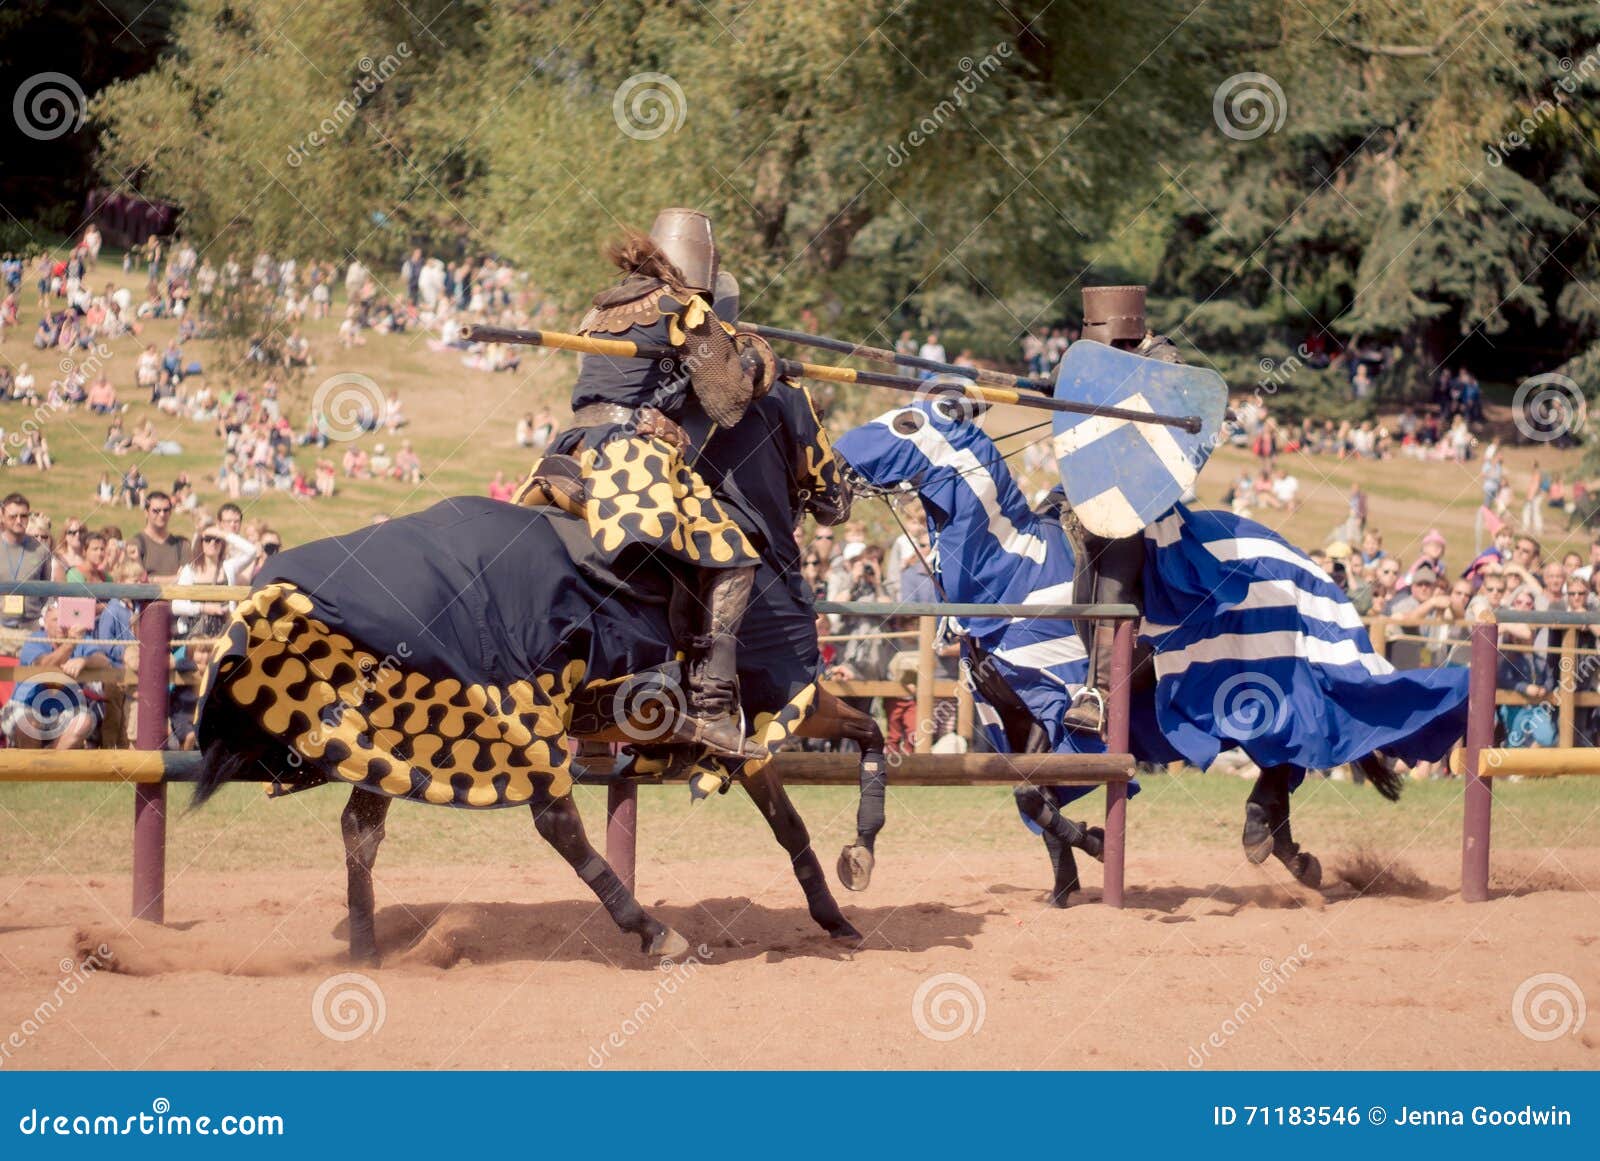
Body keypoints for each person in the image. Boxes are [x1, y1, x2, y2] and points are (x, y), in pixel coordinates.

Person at [512, 209, 771, 759]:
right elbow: (726, 404)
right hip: (630, 454)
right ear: (701, 262)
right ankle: (711, 705)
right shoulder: (686, 307)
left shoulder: (604, 306)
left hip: (574, 448)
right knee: (734, 552)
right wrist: (753, 358)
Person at [1061, 285, 1186, 734]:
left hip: (1142, 504)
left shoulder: (1162, 359)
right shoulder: (1096, 363)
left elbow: (1176, 401)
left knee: (1112, 583)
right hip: (1093, 498)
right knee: (1072, 585)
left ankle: (1099, 692)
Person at [1, 600, 113, 750]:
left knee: (84, 721)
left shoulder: (83, 641)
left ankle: (49, 766)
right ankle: (32, 770)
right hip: (25, 706)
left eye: (64, 619)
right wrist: (70, 643)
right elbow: (46, 666)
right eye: (55, 620)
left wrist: (84, 660)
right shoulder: (35, 640)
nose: (61, 624)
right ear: (45, 622)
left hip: (65, 710)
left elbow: (104, 661)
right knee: (28, 725)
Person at [0, 492, 52, 651]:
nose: (18, 520)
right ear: (2, 516)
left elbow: (46, 588)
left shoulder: (41, 550)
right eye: (12, 516)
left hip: (30, 629)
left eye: (23, 516)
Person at [132, 491, 191, 582]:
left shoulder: (182, 545)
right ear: (146, 513)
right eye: (156, 511)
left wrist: (151, 579)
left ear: (170, 513)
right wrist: (174, 579)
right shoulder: (136, 543)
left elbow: (186, 580)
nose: (162, 514)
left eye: (166, 510)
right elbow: (136, 580)